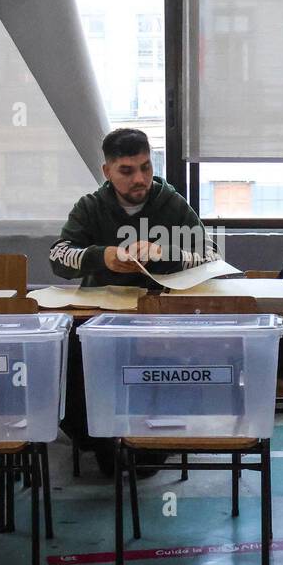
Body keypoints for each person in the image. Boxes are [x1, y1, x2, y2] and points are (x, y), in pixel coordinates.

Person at [49, 128, 218, 475]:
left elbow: (211, 257)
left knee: (162, 364)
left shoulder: (170, 203)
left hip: (158, 318)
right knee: (71, 359)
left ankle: (154, 441)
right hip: (100, 320)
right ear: (107, 171)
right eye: (127, 171)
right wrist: (103, 257)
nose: (139, 178)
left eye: (145, 167)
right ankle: (99, 439)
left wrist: (164, 254)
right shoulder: (91, 207)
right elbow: (58, 256)